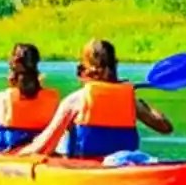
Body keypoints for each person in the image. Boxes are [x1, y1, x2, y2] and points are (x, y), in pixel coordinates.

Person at [18, 39, 172, 158]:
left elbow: (45, 145)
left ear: (88, 71)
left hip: (84, 169)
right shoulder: (130, 101)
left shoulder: (76, 101)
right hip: (121, 167)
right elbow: (165, 127)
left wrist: (18, 155)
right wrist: (137, 100)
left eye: (81, 68)